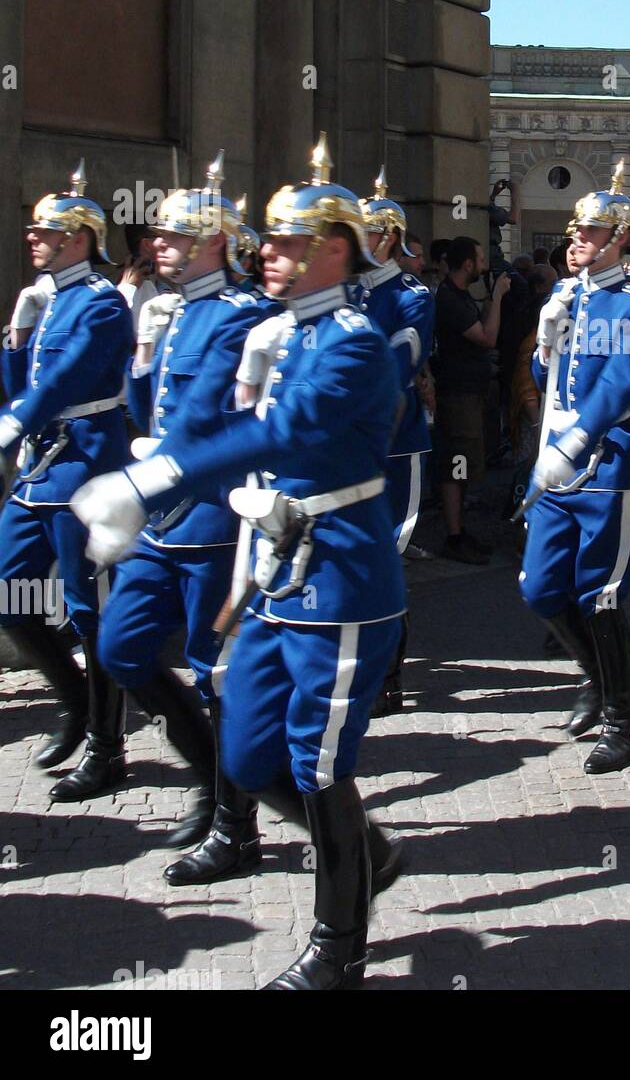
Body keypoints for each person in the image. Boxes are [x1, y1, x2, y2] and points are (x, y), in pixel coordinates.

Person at [72, 139, 406, 990]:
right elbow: (244, 429)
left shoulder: (354, 341)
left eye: (292, 243)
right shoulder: (289, 334)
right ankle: (364, 853)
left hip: (337, 577)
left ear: (337, 247)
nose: (271, 254)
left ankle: (340, 948)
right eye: (270, 241)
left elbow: (285, 433)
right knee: (253, 759)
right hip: (275, 572)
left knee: (320, 765)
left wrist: (160, 476)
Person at [94, 157, 275, 866]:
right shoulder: (177, 310)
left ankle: (236, 824)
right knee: (121, 648)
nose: (155, 245)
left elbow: (213, 421)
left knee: (215, 671)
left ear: (210, 243)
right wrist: (143, 355)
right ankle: (207, 776)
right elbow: (150, 406)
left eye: (170, 236)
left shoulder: (242, 314)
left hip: (209, 520)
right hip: (162, 517)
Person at [518, 162, 630, 773]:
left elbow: (622, 390)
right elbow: (545, 381)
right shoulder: (564, 295)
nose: (575, 239)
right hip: (556, 467)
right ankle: (595, 677)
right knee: (540, 588)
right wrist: (544, 344)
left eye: (589, 232)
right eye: (576, 230)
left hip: (606, 468)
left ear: (620, 240)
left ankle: (621, 722)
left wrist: (572, 442)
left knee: (600, 596)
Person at [0, 162, 132, 798]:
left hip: (82, 465)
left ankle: (107, 748)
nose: (34, 239)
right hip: (40, 466)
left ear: (78, 238)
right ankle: (76, 698)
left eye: (45, 231)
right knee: (8, 591)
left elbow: (70, 379)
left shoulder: (101, 302)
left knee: (90, 609)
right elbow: (22, 383)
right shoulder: (49, 300)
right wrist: (18, 332)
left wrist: (16, 417)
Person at [356, 170, 436, 714]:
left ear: (384, 237)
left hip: (392, 444)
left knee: (382, 558)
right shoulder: (339, 291)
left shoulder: (410, 296)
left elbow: (400, 363)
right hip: (343, 448)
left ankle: (387, 674)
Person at [433, 235, 509, 563]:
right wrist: (499, 297)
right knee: (456, 466)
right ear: (467, 264)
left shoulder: (461, 296)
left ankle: (460, 530)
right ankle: (454, 536)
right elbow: (488, 337)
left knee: (463, 466)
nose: (483, 265)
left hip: (469, 394)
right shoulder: (449, 299)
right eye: (480, 259)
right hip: (458, 396)